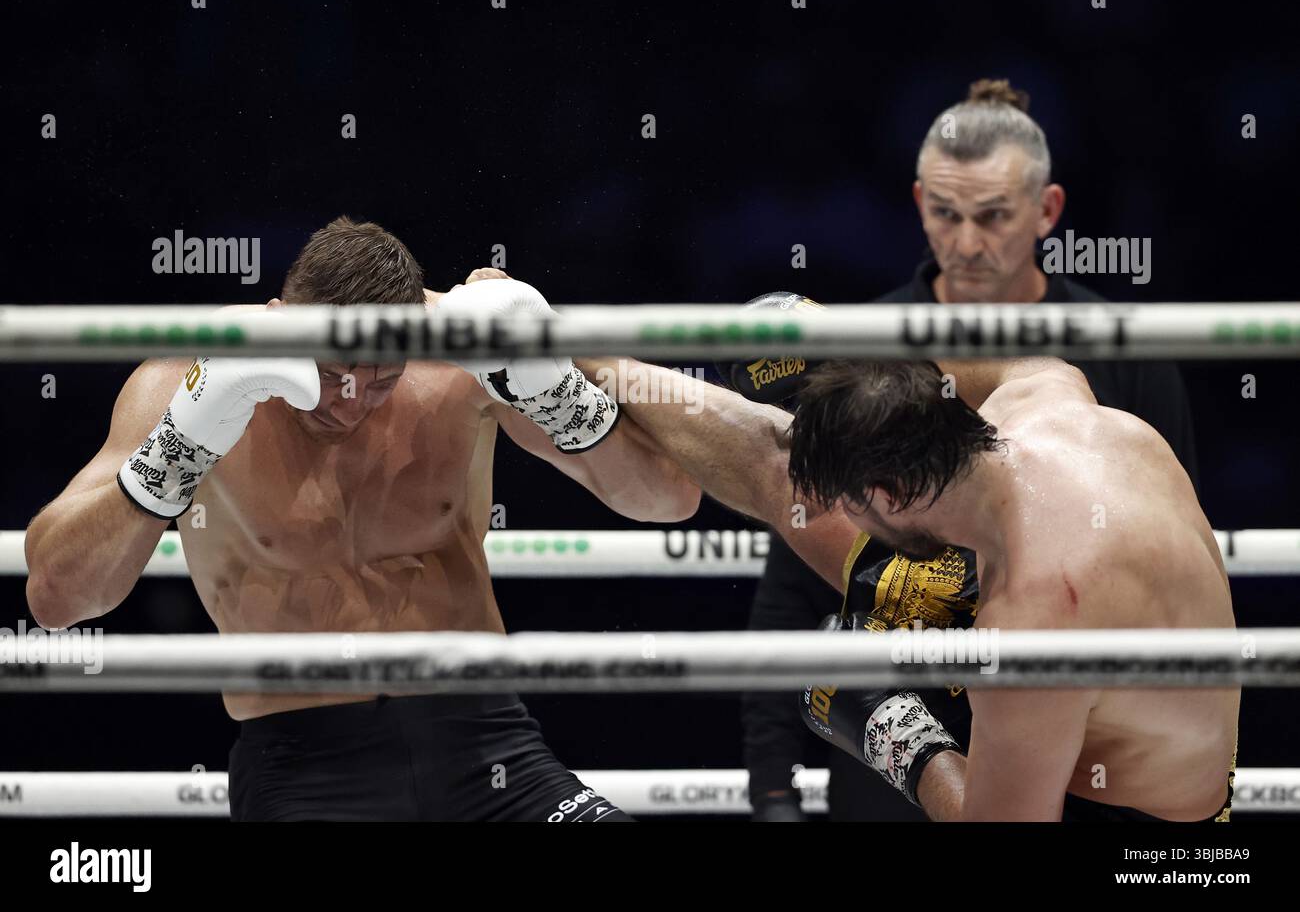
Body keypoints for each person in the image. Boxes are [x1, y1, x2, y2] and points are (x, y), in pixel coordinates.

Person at [25, 216, 701, 821]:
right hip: (303, 769)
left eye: (382, 382)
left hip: (488, 745)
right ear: (280, 317)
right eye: (329, 375)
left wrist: (559, 392)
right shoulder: (184, 379)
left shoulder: (461, 360)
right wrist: (180, 443)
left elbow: (667, 499)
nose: (349, 408)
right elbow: (57, 596)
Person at [742, 78, 1199, 821]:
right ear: (920, 202)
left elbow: (1181, 555)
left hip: (1071, 740)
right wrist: (772, 789)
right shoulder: (862, 345)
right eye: (947, 215)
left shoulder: (1124, 347)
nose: (967, 243)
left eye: (993, 217)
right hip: (888, 735)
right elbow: (792, 567)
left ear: (1048, 211)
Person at [583, 353, 1235, 821]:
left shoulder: (1032, 632)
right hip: (1087, 702)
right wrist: (847, 360)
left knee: (801, 503)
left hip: (1162, 849)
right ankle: (592, 362)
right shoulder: (1051, 396)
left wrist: (897, 734)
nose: (841, 512)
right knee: (790, 475)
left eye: (853, 503)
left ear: (886, 497)